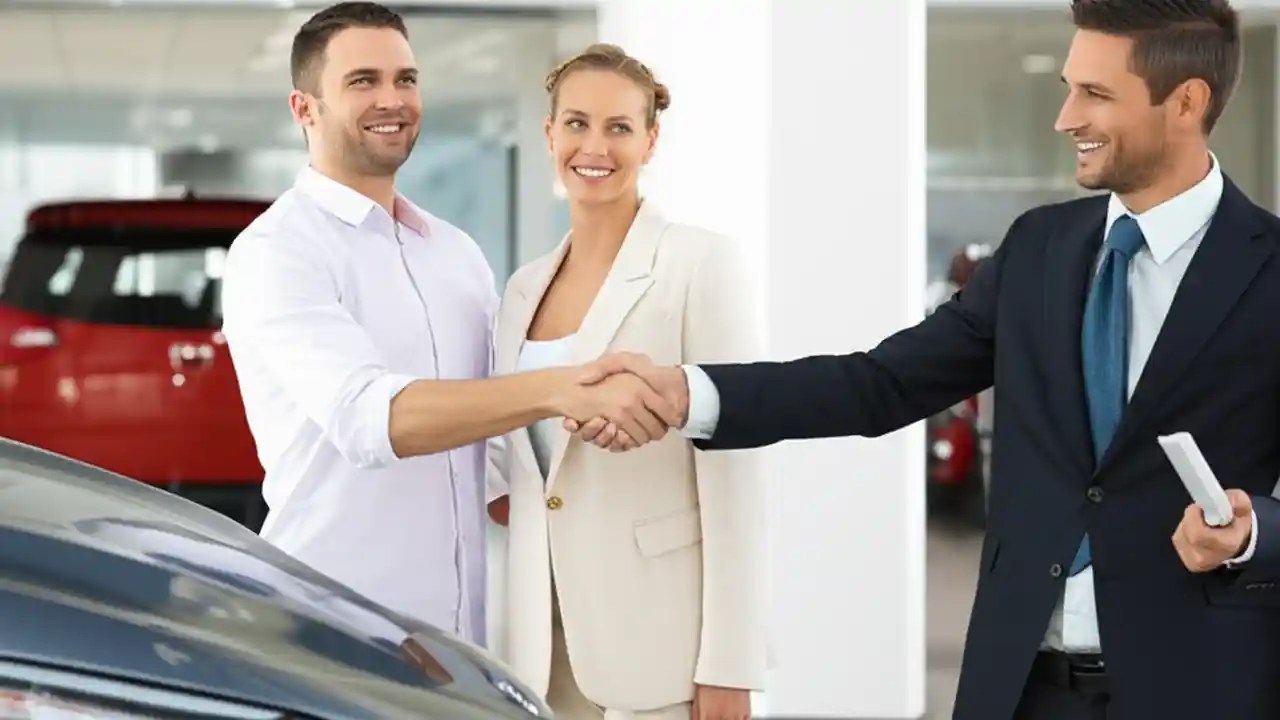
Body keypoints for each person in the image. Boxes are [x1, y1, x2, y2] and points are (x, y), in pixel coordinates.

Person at [574, 2, 1280, 719]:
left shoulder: (1271, 271)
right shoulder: (1039, 249)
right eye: (1069, 87)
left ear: (1186, 101)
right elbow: (882, 383)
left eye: (1095, 94)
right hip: (1018, 689)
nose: (1065, 118)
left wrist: (1255, 532)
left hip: (1201, 687)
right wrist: (688, 393)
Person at [219, 2, 679, 647]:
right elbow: (370, 420)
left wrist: (621, 558)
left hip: (460, 642)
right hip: (332, 629)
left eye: (405, 79)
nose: (393, 99)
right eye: (363, 81)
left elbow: (490, 461)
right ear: (305, 109)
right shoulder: (279, 250)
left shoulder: (455, 254)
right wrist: (560, 388)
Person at [486, 43, 767, 720]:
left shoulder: (700, 263)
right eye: (577, 123)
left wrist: (730, 665)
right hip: (534, 633)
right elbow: (519, 462)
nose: (596, 146)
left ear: (651, 139)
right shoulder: (522, 289)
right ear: (550, 134)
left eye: (619, 127)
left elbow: (738, 474)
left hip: (657, 639)